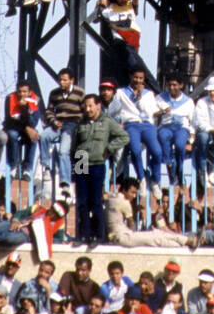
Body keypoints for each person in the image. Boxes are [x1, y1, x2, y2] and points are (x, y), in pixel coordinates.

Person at [72, 94, 129, 246]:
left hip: (97, 162)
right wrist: (75, 166)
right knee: (82, 201)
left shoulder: (107, 122)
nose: (88, 109)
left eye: (91, 106)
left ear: (98, 106)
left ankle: (97, 235)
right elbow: (75, 144)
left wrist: (109, 149)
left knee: (96, 200)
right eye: (86, 106)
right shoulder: (81, 122)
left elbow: (124, 137)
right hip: (81, 159)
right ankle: (82, 235)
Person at [110, 69, 164, 200]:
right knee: (135, 150)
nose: (138, 81)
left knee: (157, 151)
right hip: (131, 124)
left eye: (141, 78)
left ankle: (155, 180)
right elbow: (113, 111)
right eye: (136, 78)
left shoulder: (148, 94)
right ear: (131, 77)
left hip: (147, 124)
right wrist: (118, 122)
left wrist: (141, 99)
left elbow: (151, 111)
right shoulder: (121, 93)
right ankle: (141, 178)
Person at [39, 67, 85, 194]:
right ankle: (46, 167)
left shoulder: (80, 93)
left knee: (63, 150)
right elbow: (49, 110)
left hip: (72, 125)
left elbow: (84, 111)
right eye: (60, 80)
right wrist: (54, 121)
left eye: (65, 80)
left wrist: (78, 125)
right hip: (58, 124)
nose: (62, 83)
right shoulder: (54, 93)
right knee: (44, 136)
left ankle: (65, 181)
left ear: (72, 80)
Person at [156, 75, 195, 192]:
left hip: (181, 128)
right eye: (170, 85)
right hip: (166, 126)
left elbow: (193, 120)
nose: (172, 88)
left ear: (181, 85)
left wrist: (191, 139)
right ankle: (169, 166)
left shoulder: (188, 102)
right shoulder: (160, 98)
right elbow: (152, 112)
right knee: (163, 137)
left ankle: (179, 168)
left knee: (179, 144)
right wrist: (162, 111)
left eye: (175, 85)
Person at [4, 81, 42, 180]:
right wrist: (26, 127)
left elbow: (34, 122)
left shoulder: (35, 100)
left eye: (25, 92)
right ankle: (14, 166)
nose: (22, 94)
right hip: (14, 127)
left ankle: (27, 169)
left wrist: (25, 110)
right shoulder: (10, 98)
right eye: (20, 92)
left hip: (28, 128)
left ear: (30, 92)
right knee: (12, 135)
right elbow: (9, 119)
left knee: (34, 137)